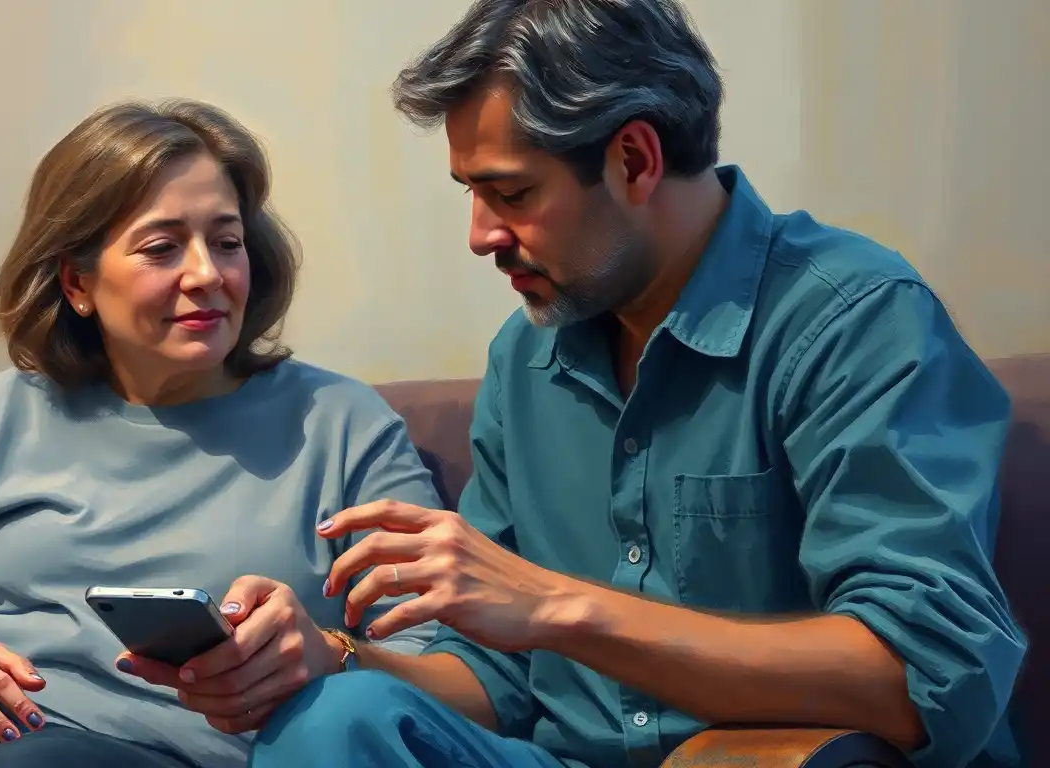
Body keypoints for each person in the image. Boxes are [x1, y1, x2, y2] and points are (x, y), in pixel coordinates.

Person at [246, 1, 1027, 767]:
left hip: (794, 758)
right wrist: (335, 657)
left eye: (512, 194)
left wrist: (556, 607)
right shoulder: (527, 356)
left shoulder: (854, 320)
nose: (480, 235)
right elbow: (496, 677)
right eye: (471, 193)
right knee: (331, 720)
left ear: (634, 160)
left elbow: (924, 676)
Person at [0, 99, 443, 768]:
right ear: (78, 282)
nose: (207, 274)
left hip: (151, 752)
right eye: (162, 248)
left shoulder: (341, 423)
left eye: (227, 242)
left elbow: (437, 662)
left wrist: (330, 653)